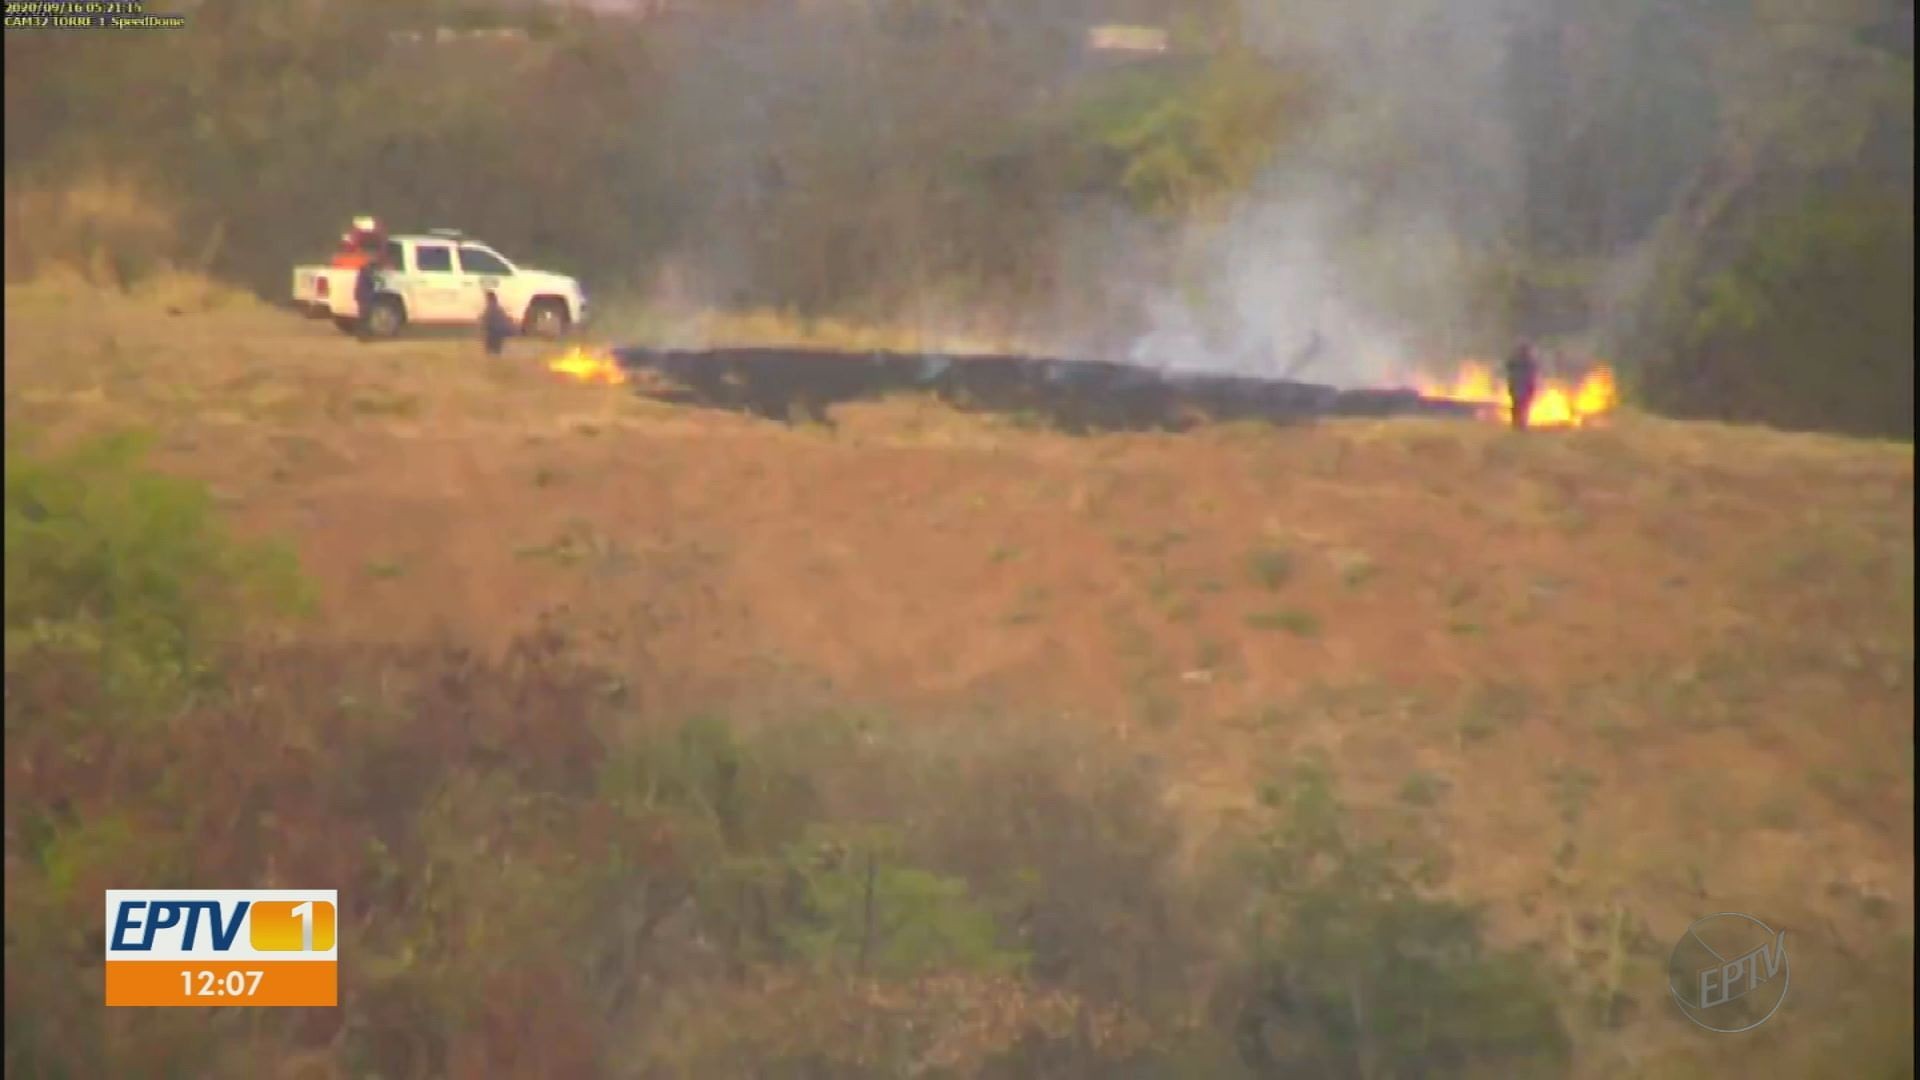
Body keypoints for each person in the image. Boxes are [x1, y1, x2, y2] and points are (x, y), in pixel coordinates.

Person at [1504, 340, 1540, 431]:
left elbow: (1533, 373)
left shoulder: (1527, 361)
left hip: (1523, 385)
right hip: (1519, 384)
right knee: (1519, 405)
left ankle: (1520, 423)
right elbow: (1509, 369)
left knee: (1523, 405)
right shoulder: (1520, 360)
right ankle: (1519, 423)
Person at [353, 255, 385, 341]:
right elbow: (372, 279)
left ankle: (363, 335)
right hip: (365, 296)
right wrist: (381, 281)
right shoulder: (367, 271)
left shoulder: (364, 270)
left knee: (363, 316)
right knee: (365, 316)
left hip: (362, 295)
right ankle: (363, 336)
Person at [481, 291, 513, 356]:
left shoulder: (490, 308)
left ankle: (491, 362)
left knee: (490, 351)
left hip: (493, 332)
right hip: (500, 333)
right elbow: (505, 320)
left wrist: (484, 327)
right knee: (497, 351)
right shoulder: (499, 308)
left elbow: (486, 319)